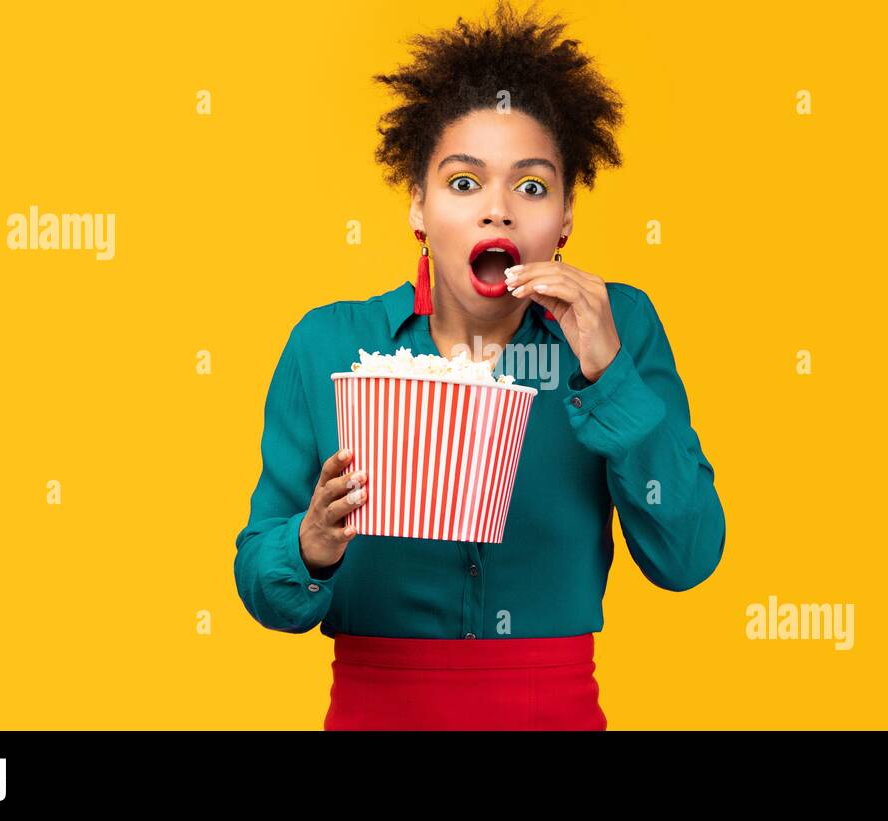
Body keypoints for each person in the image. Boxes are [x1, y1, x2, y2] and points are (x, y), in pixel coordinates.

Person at [234, 0, 726, 730]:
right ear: (419, 209)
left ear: (563, 220)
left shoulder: (622, 327)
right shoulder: (326, 342)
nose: (498, 210)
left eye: (531, 186)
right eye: (464, 183)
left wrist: (608, 374)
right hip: (377, 709)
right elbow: (263, 588)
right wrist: (309, 546)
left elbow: (686, 557)